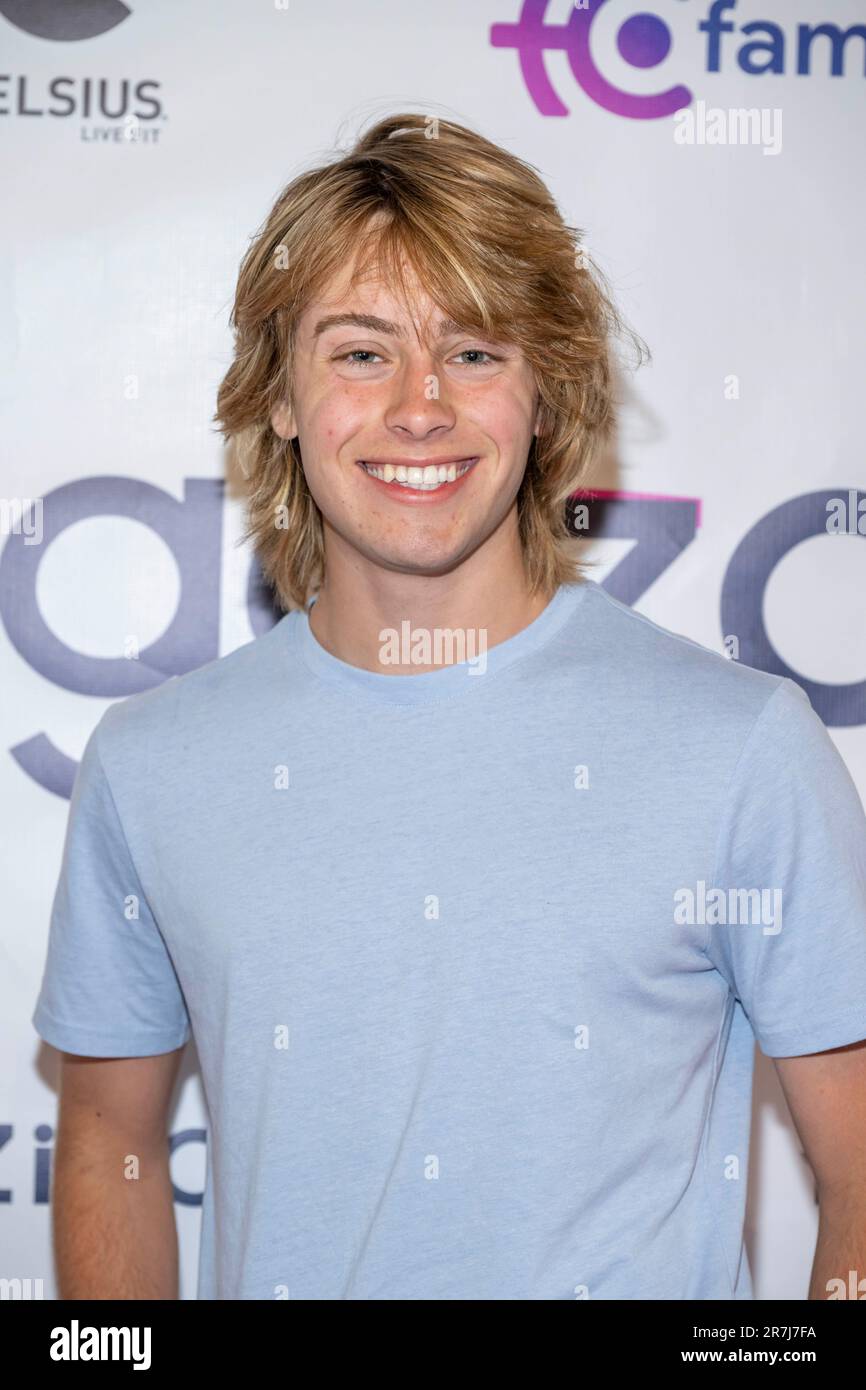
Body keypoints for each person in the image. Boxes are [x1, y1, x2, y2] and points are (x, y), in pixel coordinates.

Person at [33, 113, 866, 1301]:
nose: (419, 407)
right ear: (279, 396)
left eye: (474, 352)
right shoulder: (151, 762)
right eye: (361, 353)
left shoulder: (736, 745)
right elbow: (111, 1148)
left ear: (542, 393)